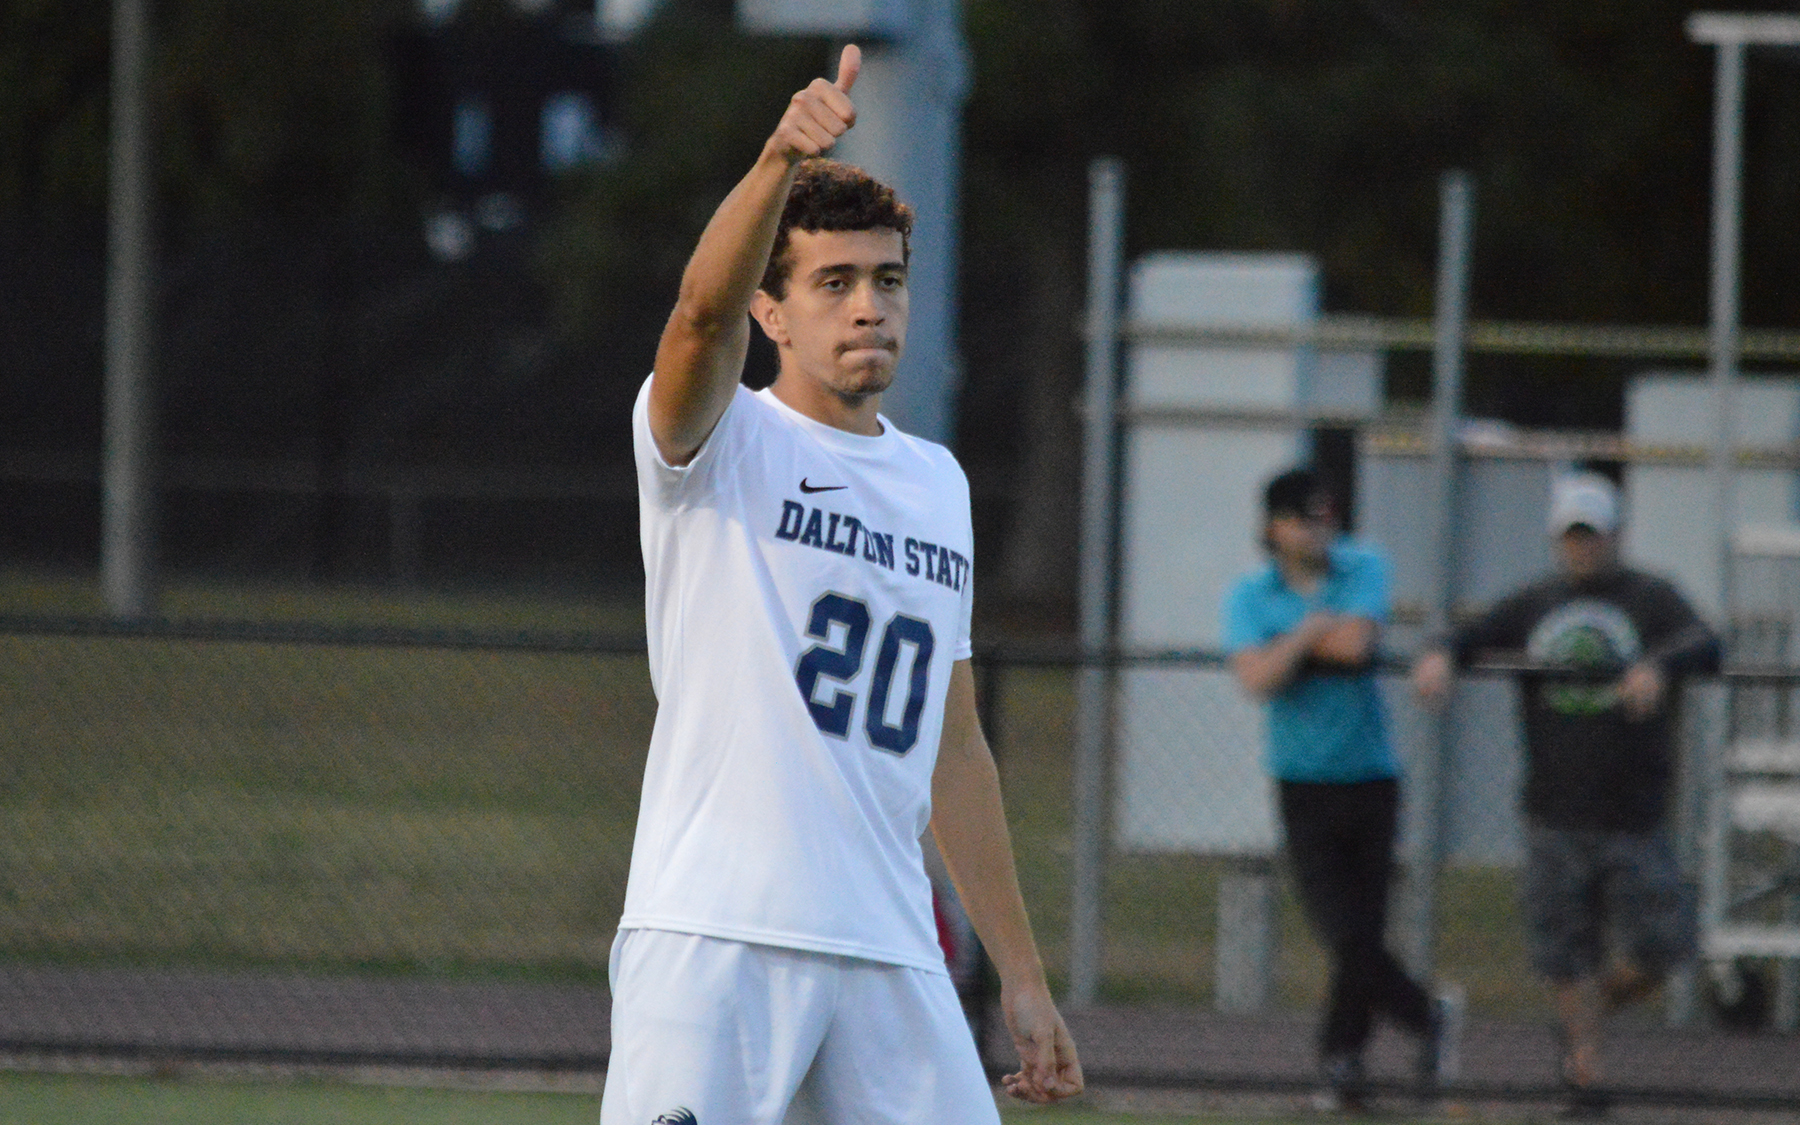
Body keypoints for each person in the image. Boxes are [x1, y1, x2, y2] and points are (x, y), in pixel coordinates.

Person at [606, 44, 1082, 1124]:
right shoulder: (720, 443)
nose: (869, 305)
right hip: (720, 935)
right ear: (772, 314)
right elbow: (694, 318)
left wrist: (1021, 971)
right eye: (834, 281)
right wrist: (779, 155)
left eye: (888, 279)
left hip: (890, 946)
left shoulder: (936, 483)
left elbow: (951, 746)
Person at [1411, 470, 1721, 1119]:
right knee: (1565, 950)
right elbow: (1465, 635)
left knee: (1663, 945)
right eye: (1571, 536)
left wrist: (1659, 666)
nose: (1581, 548)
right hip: (1556, 807)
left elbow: (1706, 640)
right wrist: (1439, 652)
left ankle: (1592, 1014)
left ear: (1616, 535)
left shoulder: (1651, 598)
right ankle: (1586, 1077)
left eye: (1593, 534)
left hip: (1634, 810)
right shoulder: (1535, 603)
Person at [1222, 466, 1460, 1112]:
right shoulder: (1251, 592)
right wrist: (1306, 632)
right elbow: (1255, 676)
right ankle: (1428, 1016)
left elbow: (1356, 644)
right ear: (1274, 526)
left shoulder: (1364, 564)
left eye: (1324, 516)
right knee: (1343, 932)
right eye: (1303, 518)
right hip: (1301, 783)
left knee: (1361, 930)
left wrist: (1291, 646)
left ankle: (1341, 1061)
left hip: (1369, 777)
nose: (1317, 529)